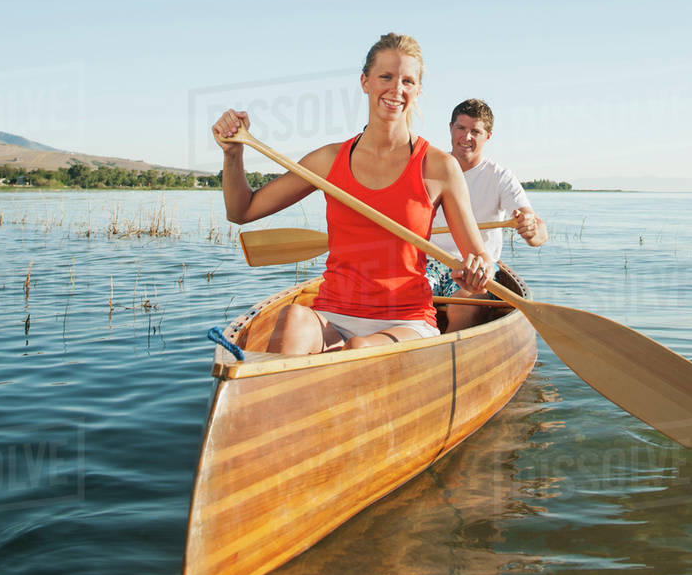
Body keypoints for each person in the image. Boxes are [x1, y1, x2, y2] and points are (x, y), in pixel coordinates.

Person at [211, 33, 494, 355]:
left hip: (407, 321)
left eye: (407, 81)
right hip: (332, 315)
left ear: (418, 90)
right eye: (385, 77)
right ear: (365, 82)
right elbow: (241, 211)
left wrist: (477, 272)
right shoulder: (328, 161)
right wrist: (233, 155)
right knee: (293, 318)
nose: (396, 90)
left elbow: (478, 255)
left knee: (360, 347)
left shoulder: (439, 167)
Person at [427, 98, 548, 332]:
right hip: (427, 264)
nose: (466, 137)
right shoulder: (428, 168)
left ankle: (444, 362)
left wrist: (531, 229)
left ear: (488, 136)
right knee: (397, 300)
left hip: (476, 269)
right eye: (461, 128)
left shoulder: (500, 176)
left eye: (475, 131)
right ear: (450, 128)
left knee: (465, 306)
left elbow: (539, 234)